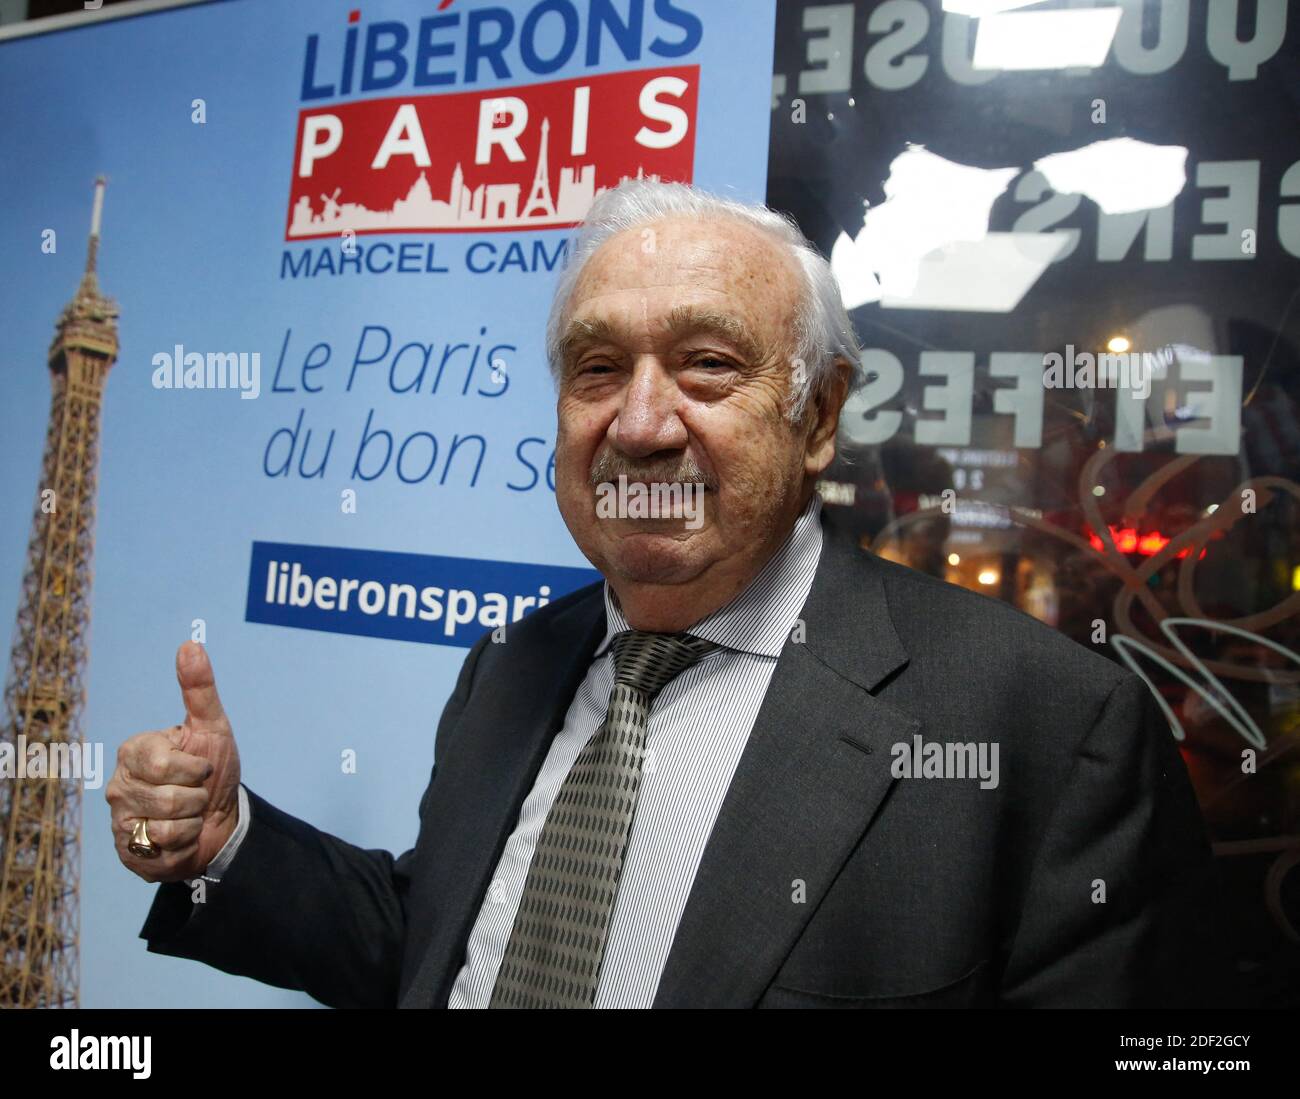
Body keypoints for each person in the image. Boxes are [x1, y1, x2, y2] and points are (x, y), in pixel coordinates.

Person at [108, 179, 1225, 1008]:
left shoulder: (1045, 729)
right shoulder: (510, 666)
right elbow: (451, 946)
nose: (639, 425)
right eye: (597, 370)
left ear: (819, 417)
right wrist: (227, 847)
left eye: (707, 364)